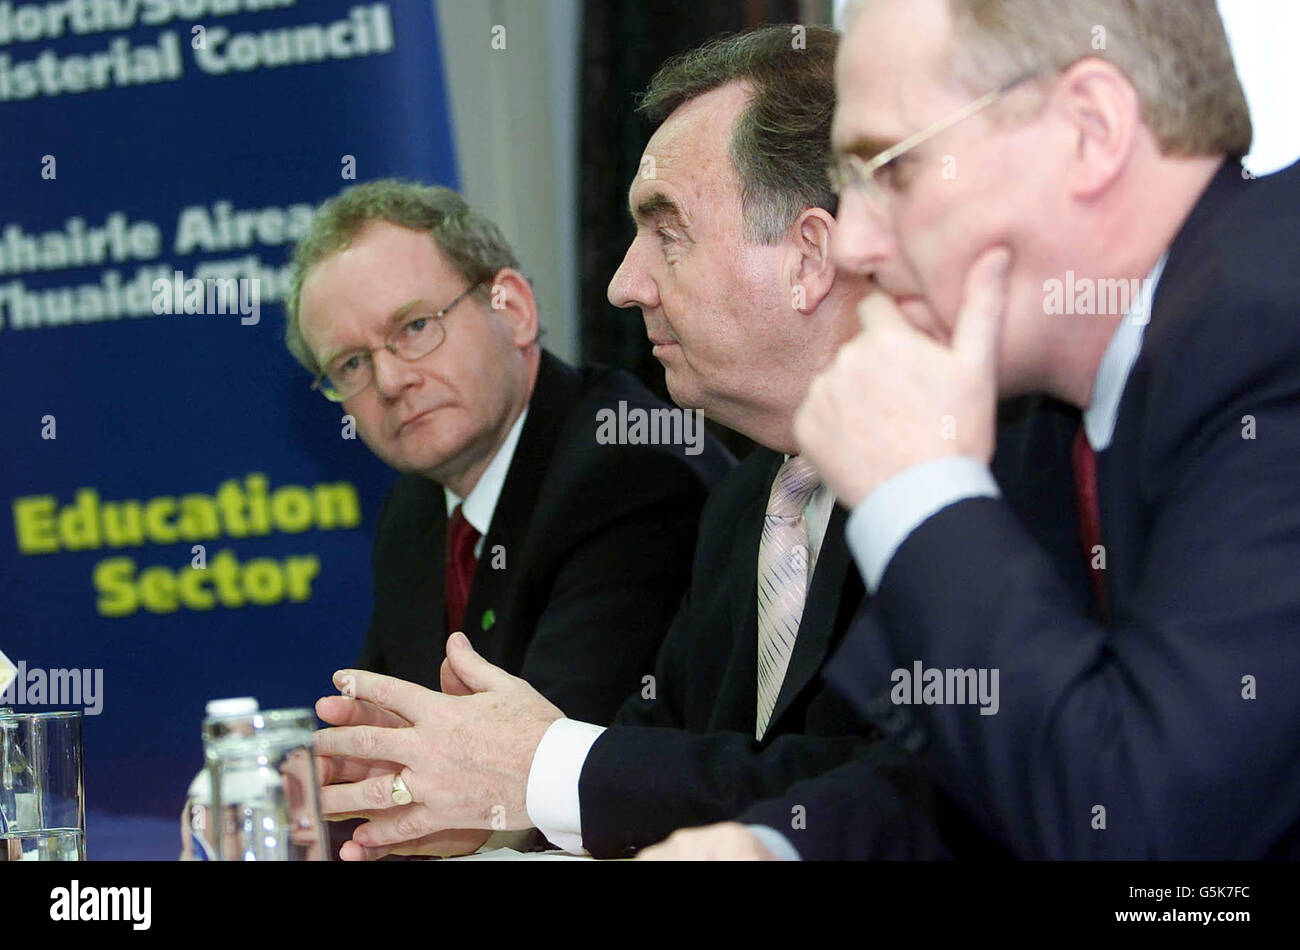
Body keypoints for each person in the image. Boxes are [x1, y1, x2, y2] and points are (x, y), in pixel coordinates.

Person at [642, 0, 1300, 860]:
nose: (856, 242)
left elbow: (1158, 837)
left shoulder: (1271, 328)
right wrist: (773, 848)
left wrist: (918, 495)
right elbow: (992, 776)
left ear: (1090, 131)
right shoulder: (1047, 407)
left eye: (888, 168)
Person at [310, 26, 915, 861]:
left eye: (667, 234)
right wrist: (486, 786)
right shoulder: (752, 500)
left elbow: (907, 792)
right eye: (348, 363)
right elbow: (668, 752)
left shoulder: (968, 466)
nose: (623, 285)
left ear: (809, 257)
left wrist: (539, 771)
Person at [286, 180, 731, 729]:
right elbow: (380, 726)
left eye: (415, 327)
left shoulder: (631, 471)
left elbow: (554, 762)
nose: (390, 380)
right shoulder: (417, 508)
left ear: (514, 309)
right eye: (351, 363)